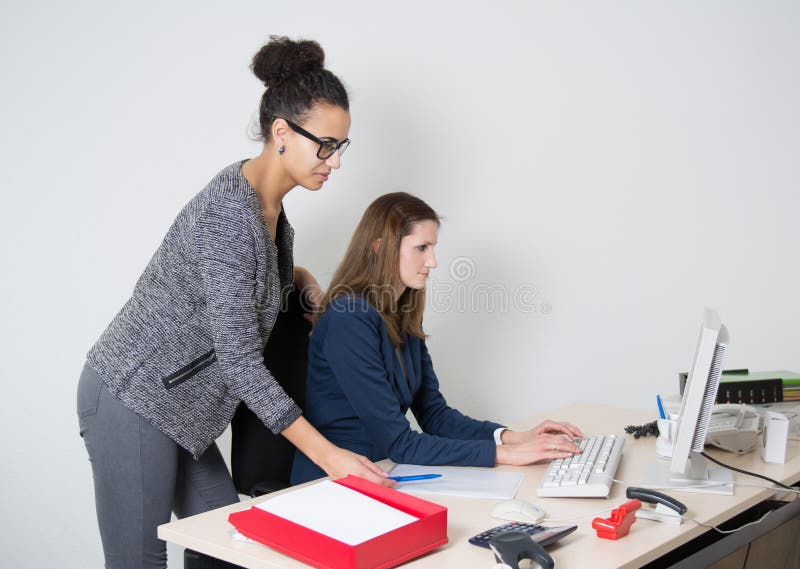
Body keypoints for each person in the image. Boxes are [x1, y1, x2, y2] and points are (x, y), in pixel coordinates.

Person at [77, 36, 390, 569]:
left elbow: (236, 277)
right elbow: (239, 360)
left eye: (342, 146)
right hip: (133, 396)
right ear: (282, 133)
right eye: (327, 145)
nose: (334, 162)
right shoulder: (232, 214)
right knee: (139, 562)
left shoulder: (265, 205)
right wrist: (329, 456)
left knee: (227, 553)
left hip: (183, 412)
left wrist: (300, 276)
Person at [291, 192, 584, 484]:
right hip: (333, 484)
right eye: (422, 248)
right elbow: (401, 443)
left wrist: (514, 438)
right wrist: (504, 454)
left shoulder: (400, 312)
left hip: (385, 470)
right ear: (381, 248)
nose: (433, 261)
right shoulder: (350, 318)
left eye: (433, 248)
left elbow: (434, 414)